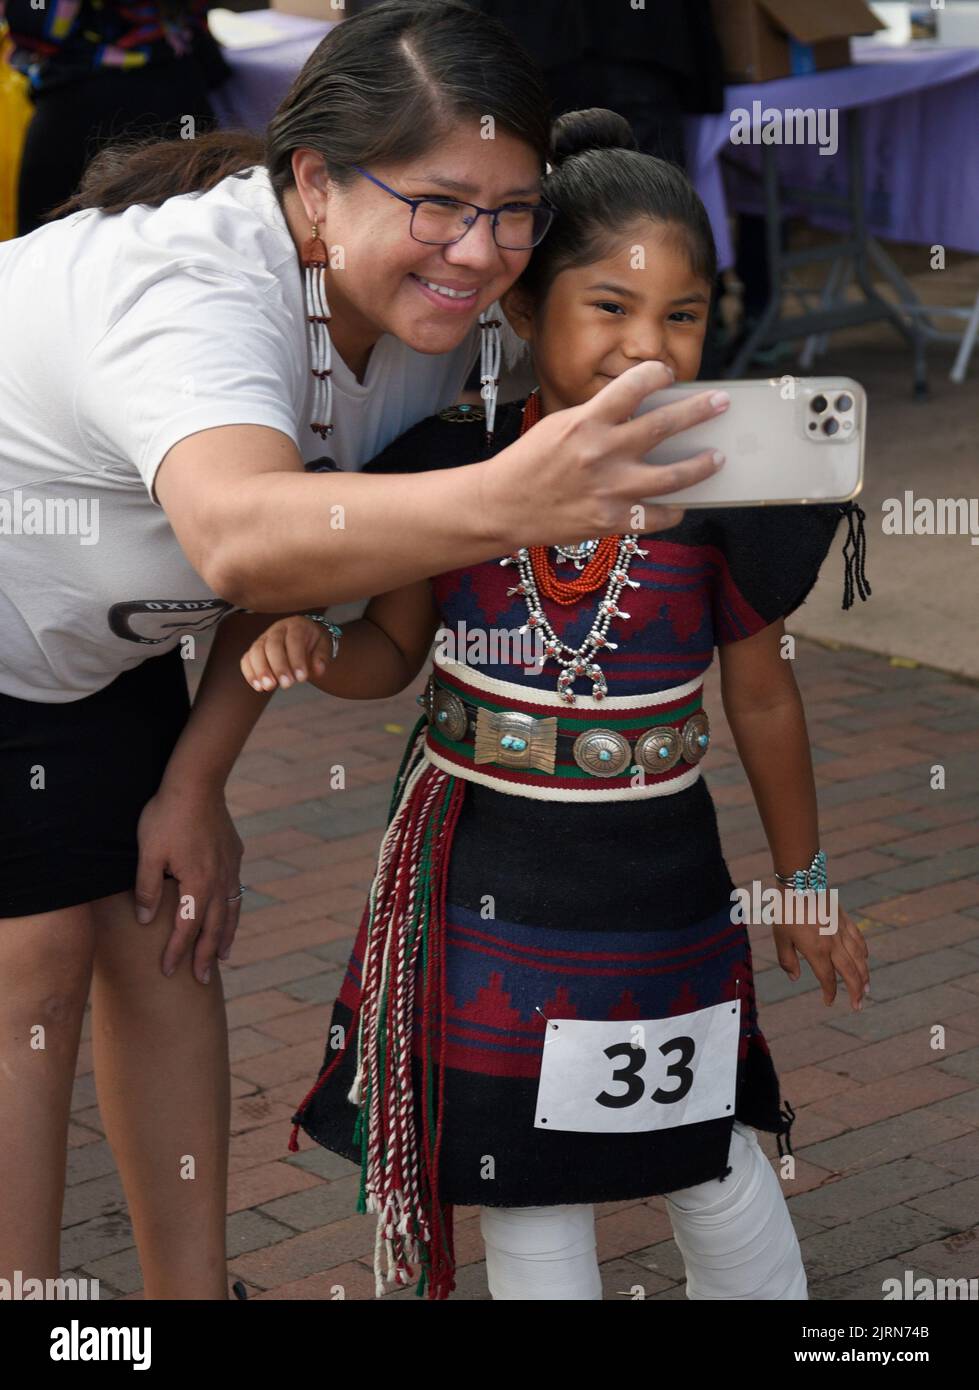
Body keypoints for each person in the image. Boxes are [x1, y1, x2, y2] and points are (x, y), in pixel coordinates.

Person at [0, 2, 725, 1300]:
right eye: (440, 203)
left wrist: (195, 780)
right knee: (34, 957)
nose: (479, 251)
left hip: (86, 644)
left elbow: (298, 544)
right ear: (318, 186)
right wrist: (514, 496)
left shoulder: (428, 314)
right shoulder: (195, 290)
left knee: (162, 927)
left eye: (512, 211)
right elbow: (239, 533)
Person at [244, 107, 872, 1303]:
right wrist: (315, 644)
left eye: (682, 316)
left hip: (662, 882)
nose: (650, 345)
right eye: (612, 308)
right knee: (524, 1169)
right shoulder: (446, 471)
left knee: (708, 1151)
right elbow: (393, 649)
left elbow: (764, 698)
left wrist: (804, 874)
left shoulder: (721, 489)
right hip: (491, 885)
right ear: (524, 308)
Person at [1, 0, 231, 235]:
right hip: (180, 98)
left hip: (80, 106)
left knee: (46, 250)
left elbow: (38, 28)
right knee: (189, 237)